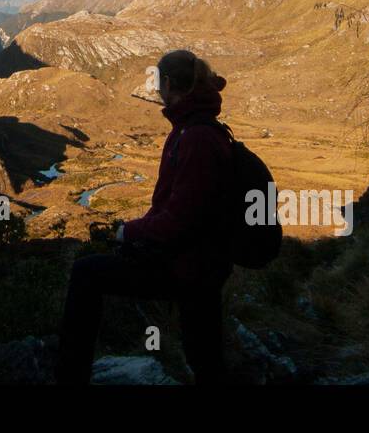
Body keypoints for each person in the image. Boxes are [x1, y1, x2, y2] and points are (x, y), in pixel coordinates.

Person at [57, 49, 236, 384]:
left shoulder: (194, 137)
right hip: (201, 263)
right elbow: (180, 209)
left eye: (158, 81)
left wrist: (129, 233)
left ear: (167, 83)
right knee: (204, 352)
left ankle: (70, 376)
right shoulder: (198, 128)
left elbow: (180, 219)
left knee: (86, 273)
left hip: (188, 266)